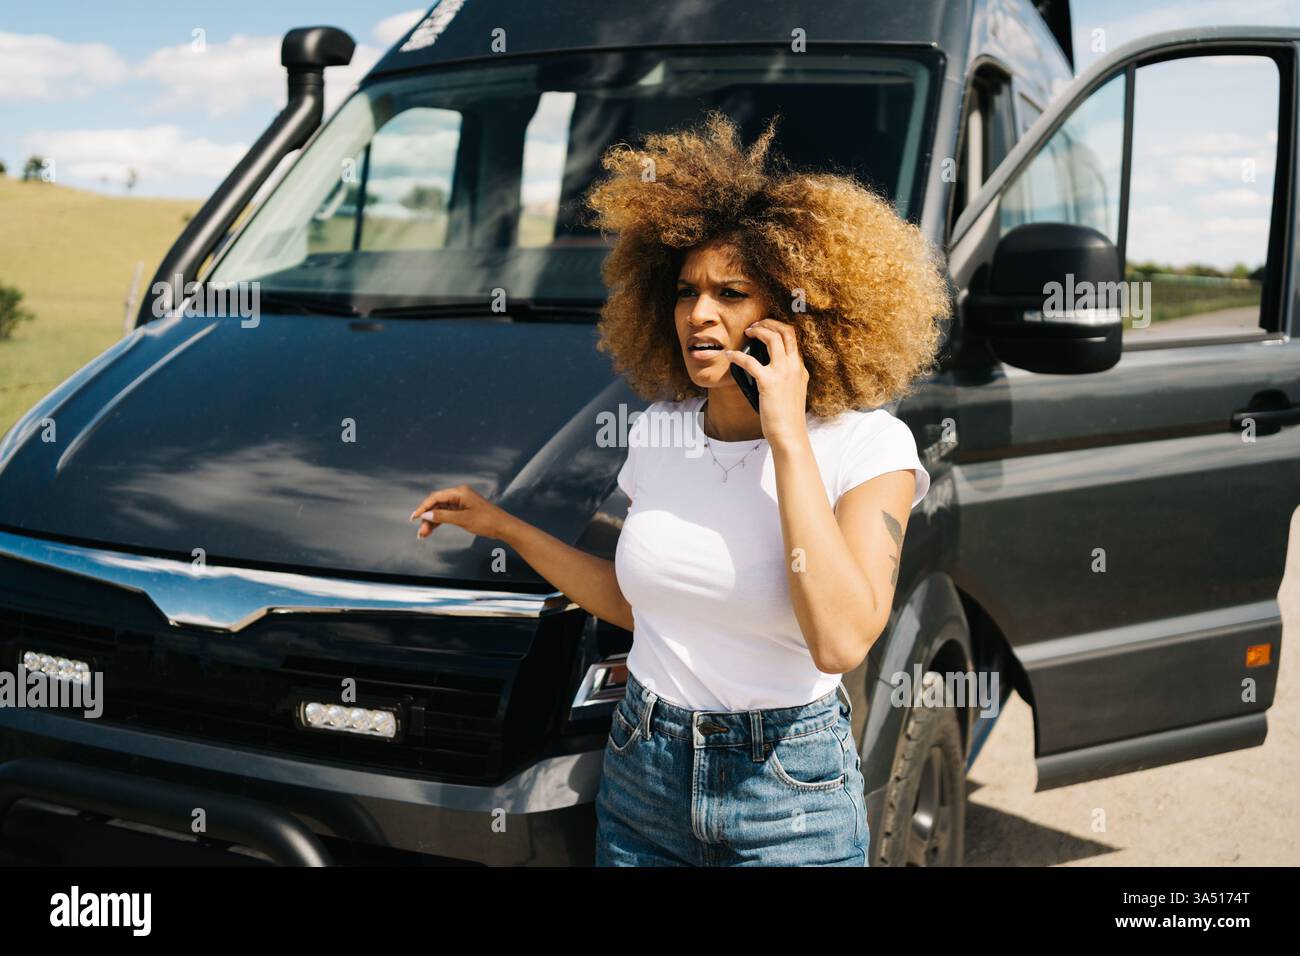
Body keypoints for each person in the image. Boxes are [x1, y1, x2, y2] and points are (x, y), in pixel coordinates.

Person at [409, 110, 949, 866]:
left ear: (798, 311)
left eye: (732, 293)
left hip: (786, 788)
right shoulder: (660, 431)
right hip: (642, 771)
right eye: (687, 290)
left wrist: (787, 438)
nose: (700, 313)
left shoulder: (867, 445)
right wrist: (505, 528)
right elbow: (644, 604)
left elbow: (840, 639)